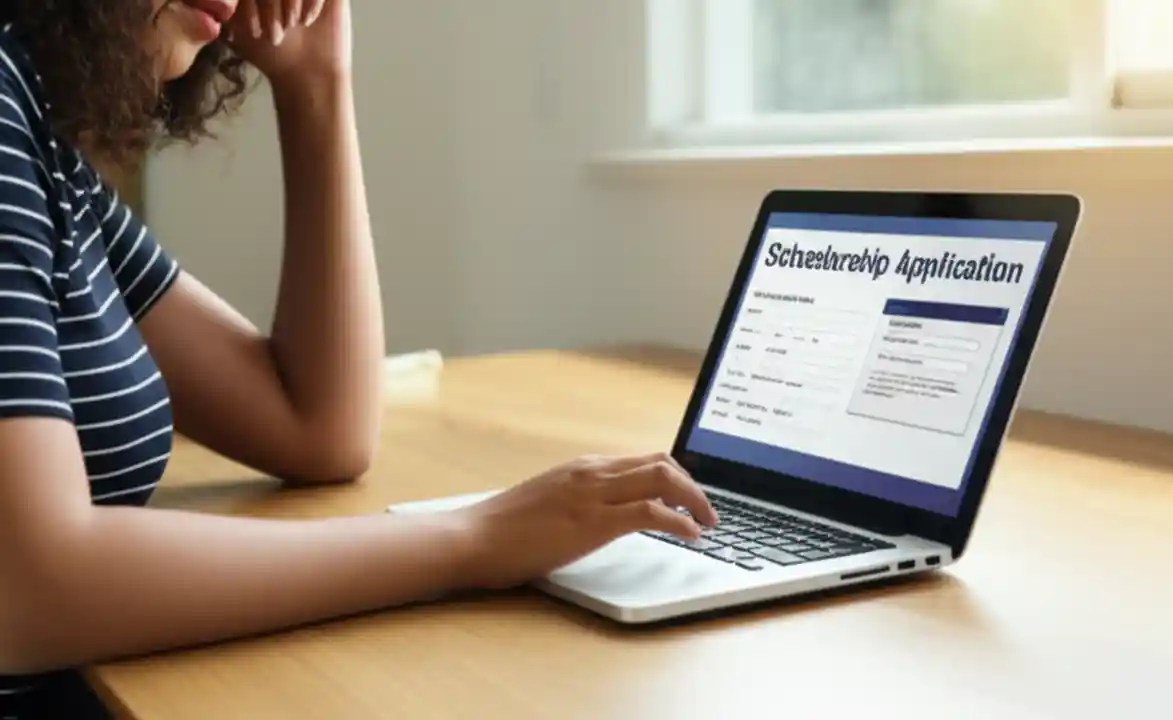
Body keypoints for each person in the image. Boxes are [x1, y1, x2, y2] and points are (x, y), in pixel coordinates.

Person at [0, 1, 717, 716]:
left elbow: (317, 425)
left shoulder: (41, 149)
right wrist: (473, 539)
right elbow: (28, 584)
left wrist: (318, 81)